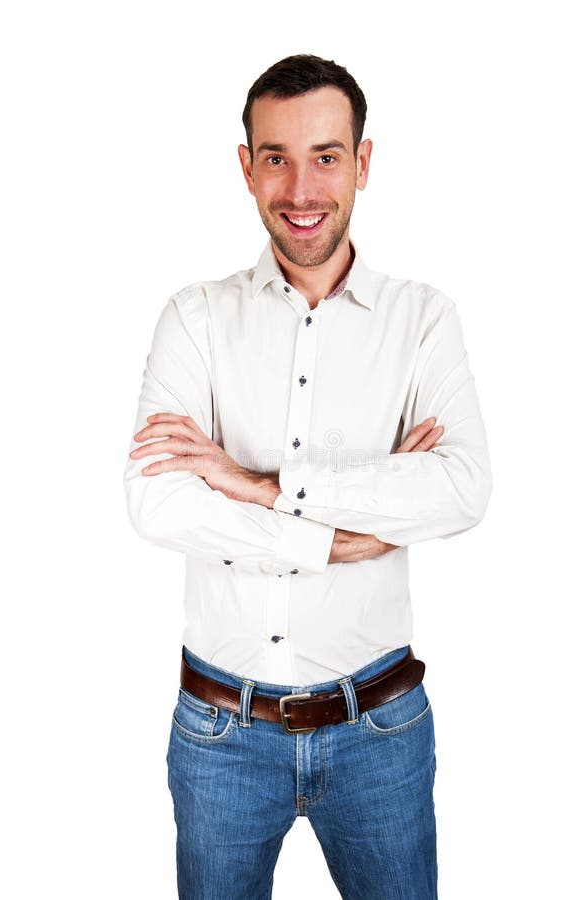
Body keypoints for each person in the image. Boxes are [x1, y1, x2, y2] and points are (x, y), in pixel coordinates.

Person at [123, 54, 492, 900]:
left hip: (381, 728)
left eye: (325, 156)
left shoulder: (422, 321)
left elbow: (461, 487)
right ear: (246, 167)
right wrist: (336, 537)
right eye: (276, 158)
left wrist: (255, 483)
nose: (300, 190)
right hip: (219, 733)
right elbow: (156, 501)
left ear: (362, 163)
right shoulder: (194, 318)